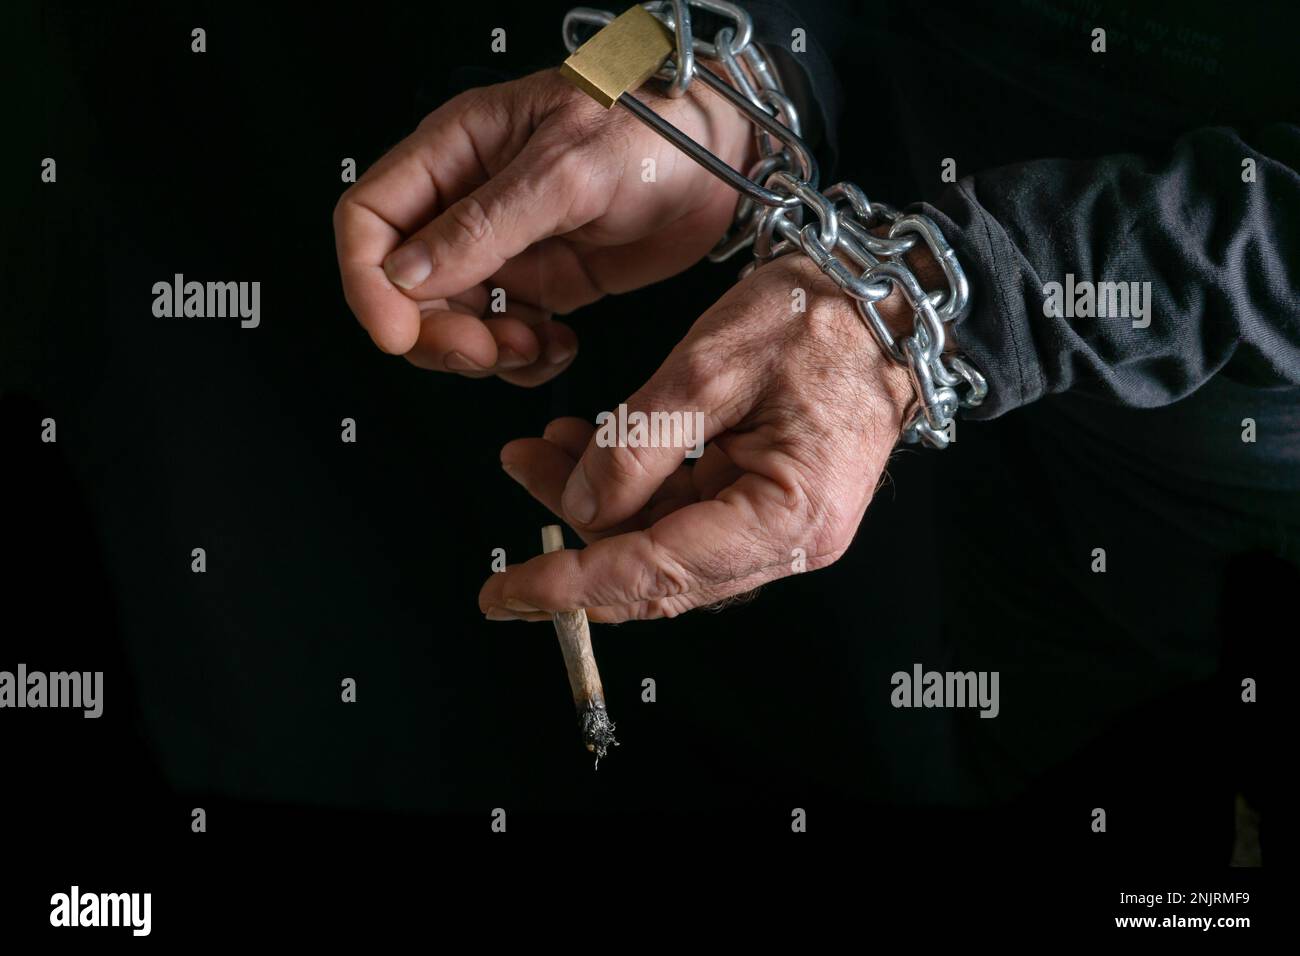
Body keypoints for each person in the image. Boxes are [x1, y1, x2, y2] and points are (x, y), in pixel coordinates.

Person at [333, 0, 1295, 829]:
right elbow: (698, 22)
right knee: (1055, 763)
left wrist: (945, 302)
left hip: (1237, 428)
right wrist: (668, 77)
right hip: (983, 405)